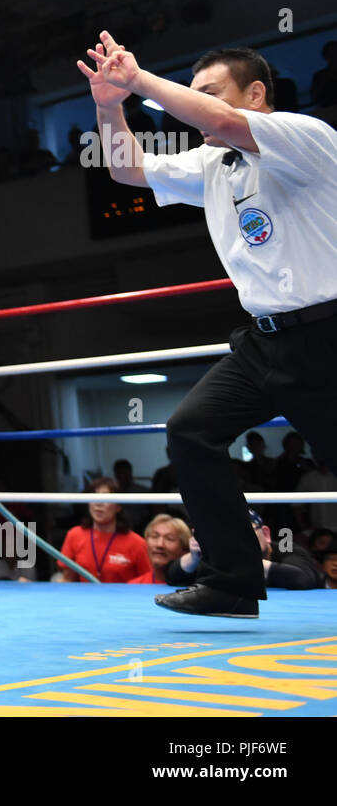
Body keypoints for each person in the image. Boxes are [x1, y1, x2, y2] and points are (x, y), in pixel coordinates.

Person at [80, 33, 337, 617]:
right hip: (261, 343)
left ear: (256, 93)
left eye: (208, 93)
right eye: (188, 93)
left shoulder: (305, 136)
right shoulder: (213, 162)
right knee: (190, 431)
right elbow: (126, 170)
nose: (191, 106)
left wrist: (141, 79)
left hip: (328, 337)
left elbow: (221, 119)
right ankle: (231, 582)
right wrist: (108, 103)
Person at [166, 509, 323, 593]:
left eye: (245, 533)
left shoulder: (285, 545)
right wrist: (194, 557)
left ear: (266, 534)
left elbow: (302, 578)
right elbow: (172, 577)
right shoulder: (224, 556)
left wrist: (245, 561)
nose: (239, 541)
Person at [56, 478, 149, 583]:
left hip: (123, 599)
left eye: (105, 497)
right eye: (94, 496)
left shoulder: (137, 543)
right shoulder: (74, 535)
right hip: (84, 598)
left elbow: (148, 582)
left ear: (118, 506)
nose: (98, 503)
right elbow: (67, 580)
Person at [126, 514, 191, 585]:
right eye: (155, 536)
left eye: (170, 538)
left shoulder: (195, 588)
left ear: (185, 548)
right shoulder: (134, 586)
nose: (160, 544)